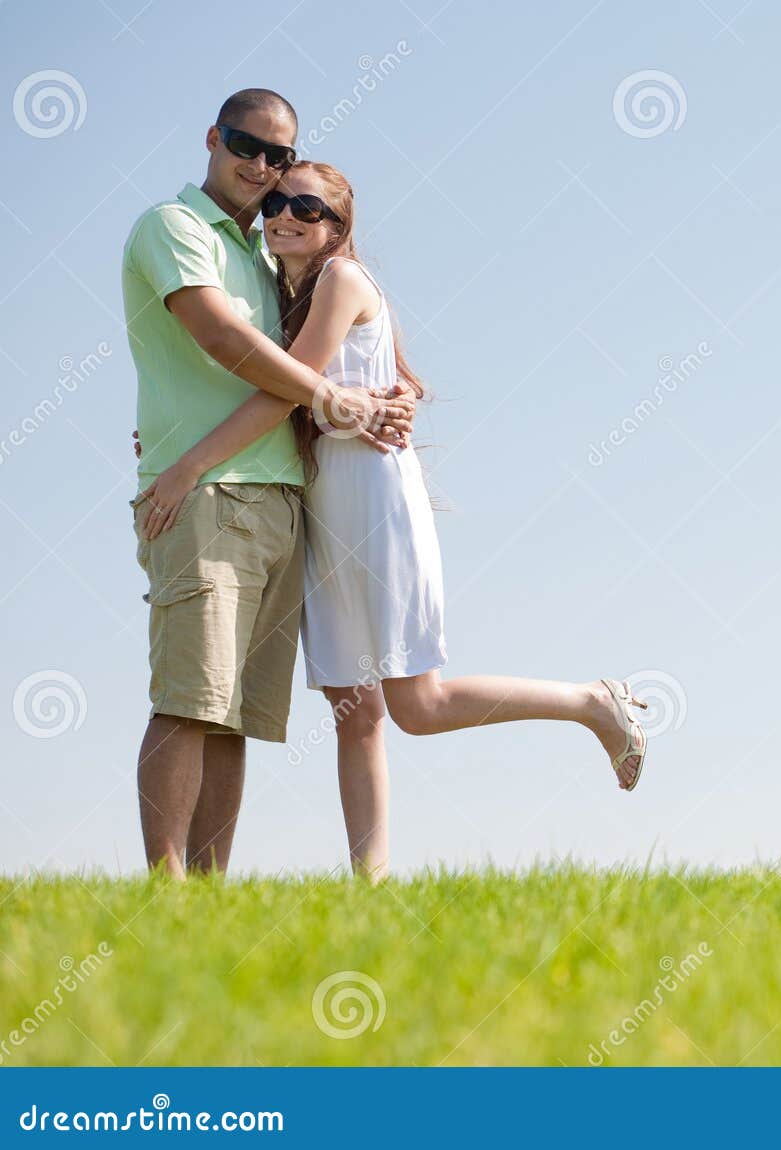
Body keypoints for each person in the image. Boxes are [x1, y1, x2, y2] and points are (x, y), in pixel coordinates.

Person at [139, 160, 650, 881]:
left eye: (307, 208)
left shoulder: (342, 280)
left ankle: (591, 702)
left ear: (337, 227)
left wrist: (189, 460)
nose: (285, 213)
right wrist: (174, 433)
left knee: (417, 701)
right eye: (279, 201)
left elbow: (286, 394)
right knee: (356, 709)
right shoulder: (285, 286)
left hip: (373, 500)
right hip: (322, 504)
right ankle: (370, 886)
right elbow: (269, 382)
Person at [122, 88, 414, 879]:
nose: (262, 168)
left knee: (235, 716)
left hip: (284, 501)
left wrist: (384, 394)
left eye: (280, 159)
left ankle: (210, 901)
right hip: (202, 495)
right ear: (213, 137)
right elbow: (220, 337)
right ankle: (168, 897)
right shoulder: (173, 228)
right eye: (248, 147)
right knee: (189, 698)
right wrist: (328, 398)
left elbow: (321, 356)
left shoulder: (266, 253)